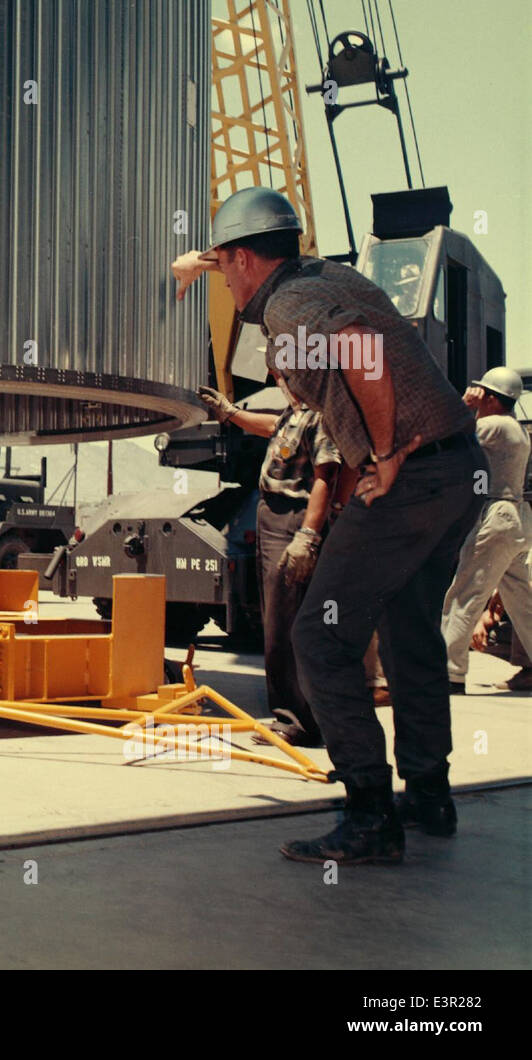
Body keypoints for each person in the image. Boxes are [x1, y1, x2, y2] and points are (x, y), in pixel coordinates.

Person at [173, 186, 486, 864]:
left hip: (416, 473)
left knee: (319, 635)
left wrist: (385, 453)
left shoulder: (287, 305)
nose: (224, 278)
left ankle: (370, 812)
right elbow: (351, 331)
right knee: (409, 631)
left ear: (249, 259)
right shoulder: (321, 274)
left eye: (225, 265)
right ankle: (429, 793)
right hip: (456, 470)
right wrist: (196, 264)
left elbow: (360, 347)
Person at [197, 381, 339, 746]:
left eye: (282, 374)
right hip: (271, 516)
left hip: (292, 517)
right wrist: (230, 413)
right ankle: (293, 714)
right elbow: (268, 426)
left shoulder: (321, 417)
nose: (279, 380)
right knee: (275, 620)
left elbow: (326, 476)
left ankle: (301, 721)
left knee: (286, 621)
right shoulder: (295, 415)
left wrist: (308, 534)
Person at [440, 367, 532, 697]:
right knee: (521, 599)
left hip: (497, 517)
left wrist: (463, 404)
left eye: (481, 394)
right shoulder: (514, 428)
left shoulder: (493, 424)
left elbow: (448, 438)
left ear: (492, 398)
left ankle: (449, 672)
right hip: (517, 517)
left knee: (465, 592)